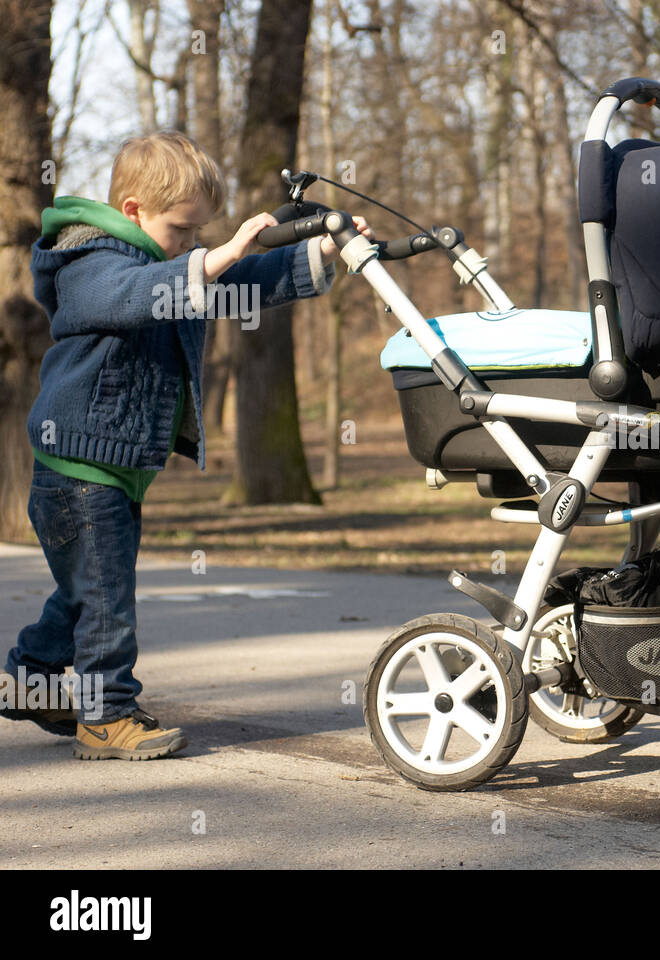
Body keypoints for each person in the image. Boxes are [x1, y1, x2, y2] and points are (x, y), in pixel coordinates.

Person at [1, 131, 371, 760]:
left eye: (199, 231)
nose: (191, 242)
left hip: (112, 469)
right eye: (181, 230)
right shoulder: (87, 262)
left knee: (87, 591)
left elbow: (240, 281)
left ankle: (29, 681)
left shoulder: (167, 264)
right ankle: (107, 717)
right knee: (107, 600)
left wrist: (320, 251)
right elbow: (134, 295)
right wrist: (215, 256)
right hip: (78, 471)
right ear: (133, 211)